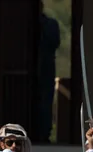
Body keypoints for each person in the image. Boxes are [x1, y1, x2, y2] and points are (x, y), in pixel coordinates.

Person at [36, 0, 60, 144]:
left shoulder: (50, 24)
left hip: (46, 66)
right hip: (42, 66)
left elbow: (54, 42)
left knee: (45, 100)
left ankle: (44, 133)